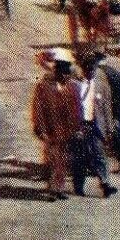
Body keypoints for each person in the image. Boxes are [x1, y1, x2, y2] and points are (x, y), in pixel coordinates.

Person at [30, 48, 81, 199]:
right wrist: (41, 130)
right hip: (50, 130)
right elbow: (38, 110)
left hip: (66, 130)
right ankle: (53, 189)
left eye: (67, 72)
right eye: (63, 72)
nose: (65, 75)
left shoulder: (71, 87)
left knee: (63, 160)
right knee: (52, 160)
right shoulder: (43, 86)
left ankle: (59, 188)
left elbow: (76, 109)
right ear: (57, 71)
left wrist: (76, 128)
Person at [73, 53, 119, 197]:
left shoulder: (101, 85)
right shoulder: (76, 85)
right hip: (80, 126)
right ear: (83, 69)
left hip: (96, 126)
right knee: (80, 157)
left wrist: (109, 128)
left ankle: (105, 184)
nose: (91, 72)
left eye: (93, 69)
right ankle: (78, 186)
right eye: (88, 69)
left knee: (99, 155)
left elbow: (107, 107)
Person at [92, 49, 120, 174]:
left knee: (114, 134)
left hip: (113, 106)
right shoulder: (112, 70)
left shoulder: (100, 73)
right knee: (117, 133)